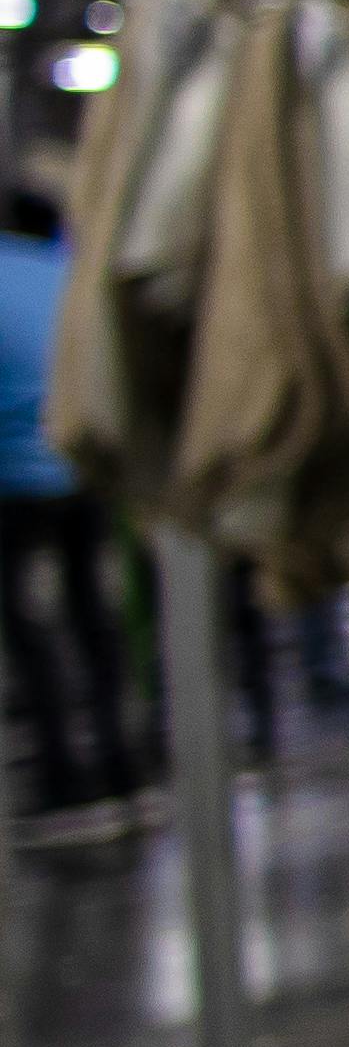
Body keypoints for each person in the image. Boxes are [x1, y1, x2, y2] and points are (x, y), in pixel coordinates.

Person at [0, 165, 144, 840]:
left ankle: (64, 779)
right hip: (83, 467)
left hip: (13, 481)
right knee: (96, 614)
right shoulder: (63, 273)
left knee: (29, 629)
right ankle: (125, 762)